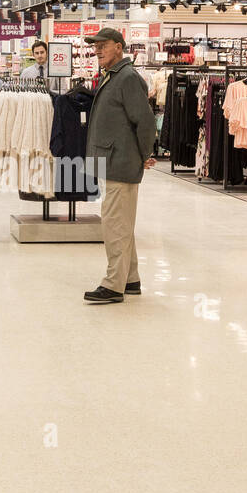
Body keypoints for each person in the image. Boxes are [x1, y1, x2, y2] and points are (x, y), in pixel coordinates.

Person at [81, 27, 157, 304]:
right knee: (121, 224)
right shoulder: (113, 76)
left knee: (114, 226)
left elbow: (145, 121)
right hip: (113, 161)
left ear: (119, 47)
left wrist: (145, 152)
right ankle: (130, 278)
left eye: (103, 45)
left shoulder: (126, 77)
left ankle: (113, 285)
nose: (97, 50)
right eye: (95, 46)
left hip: (122, 162)